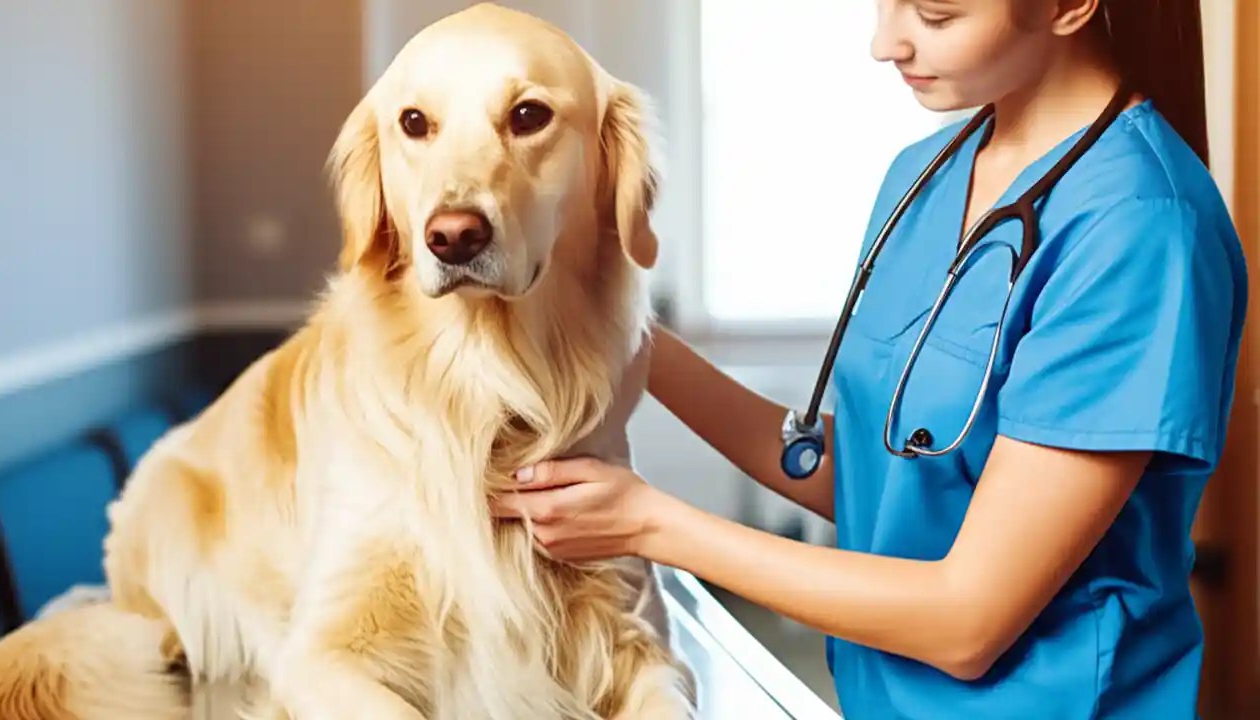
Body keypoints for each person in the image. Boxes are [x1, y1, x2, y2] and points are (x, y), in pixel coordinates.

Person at [492, 0, 1247, 717]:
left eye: (936, 15)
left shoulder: (1139, 231)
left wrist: (649, 524)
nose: (885, 43)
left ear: (1070, 5)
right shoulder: (924, 175)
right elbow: (868, 478)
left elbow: (967, 622)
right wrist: (620, 333)